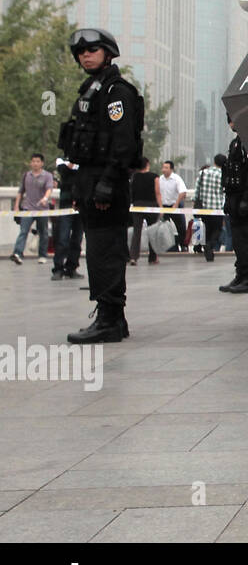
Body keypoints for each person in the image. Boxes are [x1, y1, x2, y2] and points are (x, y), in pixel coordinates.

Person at [58, 28, 143, 343]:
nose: (85, 55)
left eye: (92, 49)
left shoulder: (116, 92)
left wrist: (108, 183)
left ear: (108, 52)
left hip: (107, 182)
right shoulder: (92, 90)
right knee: (97, 250)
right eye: (81, 52)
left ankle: (109, 320)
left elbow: (123, 144)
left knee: (106, 251)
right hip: (89, 180)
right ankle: (113, 319)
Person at [220, 114, 248, 293]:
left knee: (246, 238)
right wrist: (229, 200)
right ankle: (241, 274)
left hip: (246, 197)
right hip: (234, 196)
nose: (231, 124)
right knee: (237, 239)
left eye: (232, 119)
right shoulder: (236, 143)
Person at [10, 153, 54, 264]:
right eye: (33, 161)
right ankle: (17, 253)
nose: (35, 163)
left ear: (42, 163)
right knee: (23, 231)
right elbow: (21, 191)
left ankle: (42, 255)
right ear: (30, 163)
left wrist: (45, 198)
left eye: (38, 161)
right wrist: (16, 205)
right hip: (27, 208)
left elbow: (49, 189)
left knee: (43, 232)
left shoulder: (47, 176)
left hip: (42, 209)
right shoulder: (26, 175)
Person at [50, 158, 84, 281]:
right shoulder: (61, 161)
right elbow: (64, 172)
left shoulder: (84, 161)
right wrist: (74, 160)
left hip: (81, 205)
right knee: (62, 239)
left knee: (77, 239)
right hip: (66, 206)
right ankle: (58, 268)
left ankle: (72, 268)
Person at [194, 155, 225, 262]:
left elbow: (197, 190)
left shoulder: (203, 173)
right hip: (217, 208)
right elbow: (225, 192)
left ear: (214, 161)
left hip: (204, 207)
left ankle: (207, 247)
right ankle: (210, 245)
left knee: (207, 228)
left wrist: (195, 201)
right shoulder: (223, 175)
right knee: (217, 229)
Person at [129, 159, 160, 265]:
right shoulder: (154, 176)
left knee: (136, 232)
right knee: (152, 231)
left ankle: (133, 257)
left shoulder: (134, 176)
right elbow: (158, 193)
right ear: (148, 165)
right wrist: (161, 207)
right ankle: (152, 257)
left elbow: (131, 191)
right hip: (151, 206)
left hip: (137, 206)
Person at [155, 160, 187, 251]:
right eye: (163, 167)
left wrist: (176, 204)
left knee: (181, 226)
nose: (163, 170)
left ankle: (183, 244)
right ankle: (169, 246)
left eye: (166, 168)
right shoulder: (160, 179)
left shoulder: (176, 178)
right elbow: (158, 193)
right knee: (164, 228)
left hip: (175, 205)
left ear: (171, 169)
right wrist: (160, 207)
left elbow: (182, 192)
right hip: (164, 206)